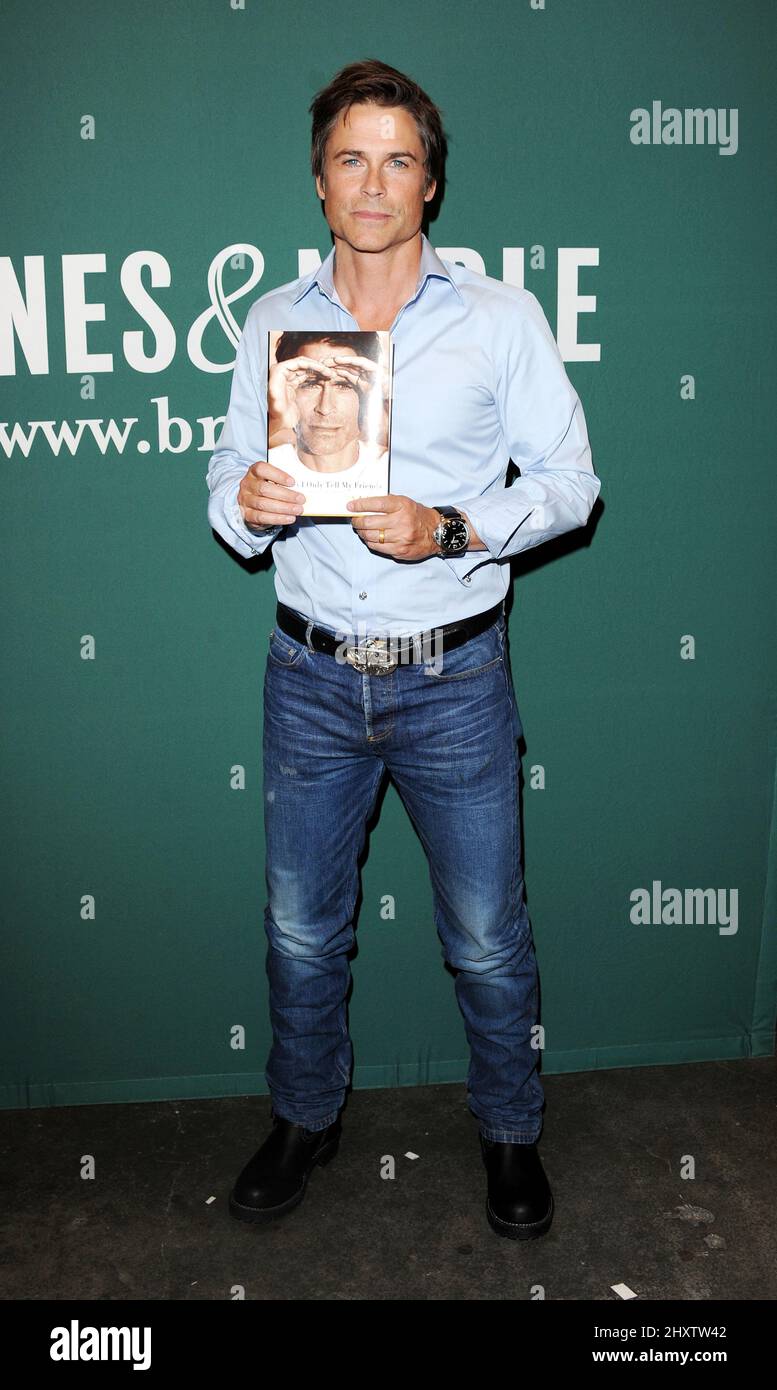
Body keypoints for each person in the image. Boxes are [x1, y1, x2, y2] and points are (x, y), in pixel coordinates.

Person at [206, 57, 601, 1240]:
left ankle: (509, 1130)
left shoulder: (500, 320)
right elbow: (224, 483)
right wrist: (254, 503)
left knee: (487, 936)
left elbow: (575, 484)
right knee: (299, 929)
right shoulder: (277, 324)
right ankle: (305, 1115)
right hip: (311, 675)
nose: (373, 183)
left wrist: (457, 528)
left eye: (399, 160)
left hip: (457, 677)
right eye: (349, 159)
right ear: (320, 184)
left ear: (430, 184)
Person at [267, 331, 390, 513]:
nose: (325, 408)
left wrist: (388, 398)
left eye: (344, 385)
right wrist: (276, 418)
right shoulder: (264, 468)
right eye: (310, 384)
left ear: (367, 395)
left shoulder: (392, 466)